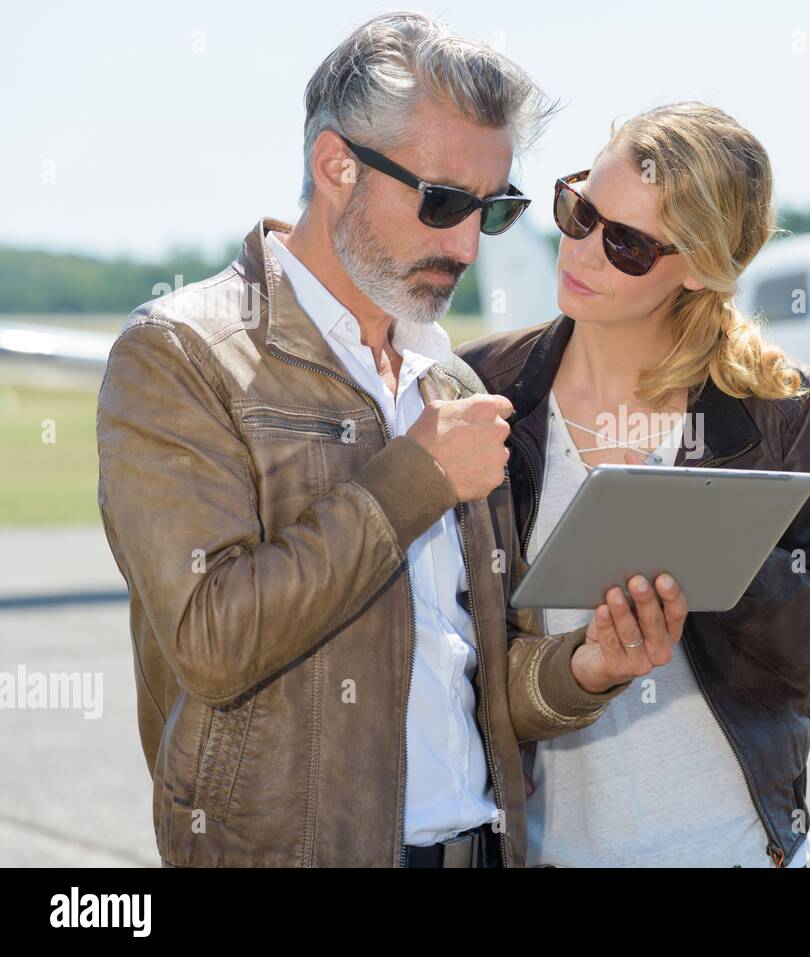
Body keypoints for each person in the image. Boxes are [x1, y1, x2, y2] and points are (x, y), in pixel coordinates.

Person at [95, 12, 685, 869]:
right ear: (334, 164)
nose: (465, 242)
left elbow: (483, 678)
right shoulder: (180, 355)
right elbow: (212, 642)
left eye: (495, 209)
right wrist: (412, 479)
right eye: (443, 201)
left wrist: (588, 668)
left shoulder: (451, 383)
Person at [457, 102, 810, 867]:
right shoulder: (480, 390)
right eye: (578, 209)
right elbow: (446, 654)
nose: (580, 250)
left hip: (734, 852)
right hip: (537, 852)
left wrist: (727, 560)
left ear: (699, 266)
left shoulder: (783, 409)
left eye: (623, 242)